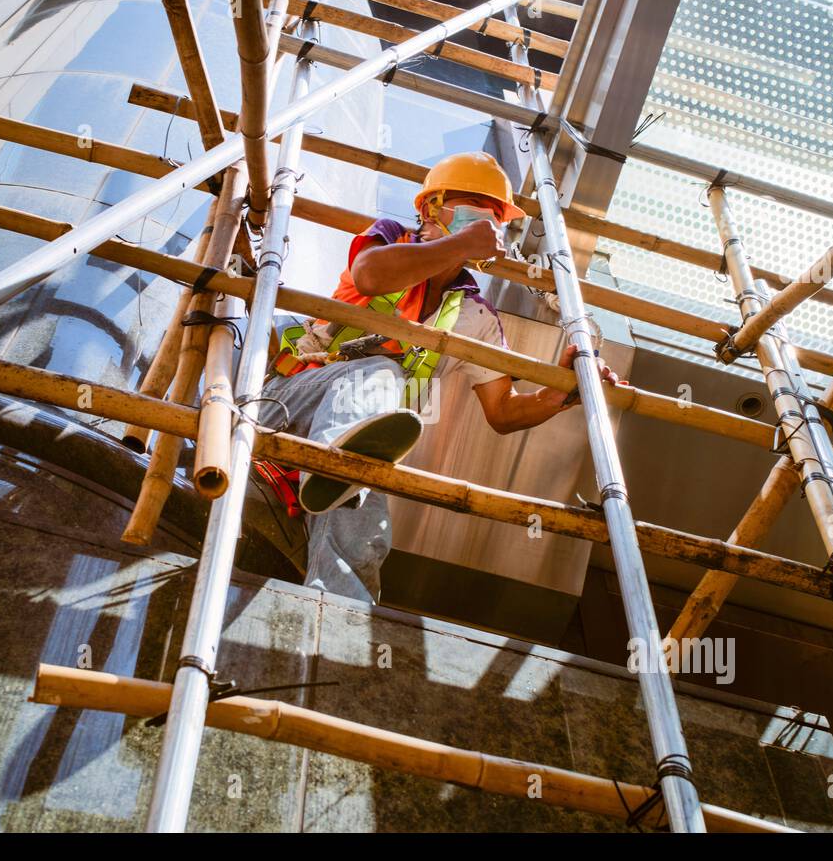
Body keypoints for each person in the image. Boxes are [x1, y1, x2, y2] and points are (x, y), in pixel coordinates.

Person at [255, 151, 624, 604]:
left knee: (366, 532)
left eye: (494, 216)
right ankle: (339, 460)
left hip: (357, 447)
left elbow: (503, 412)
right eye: (473, 208)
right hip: (289, 404)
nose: (487, 222)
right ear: (432, 208)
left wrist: (563, 390)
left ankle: (333, 617)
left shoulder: (476, 317)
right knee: (381, 370)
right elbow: (369, 278)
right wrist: (462, 244)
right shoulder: (388, 241)